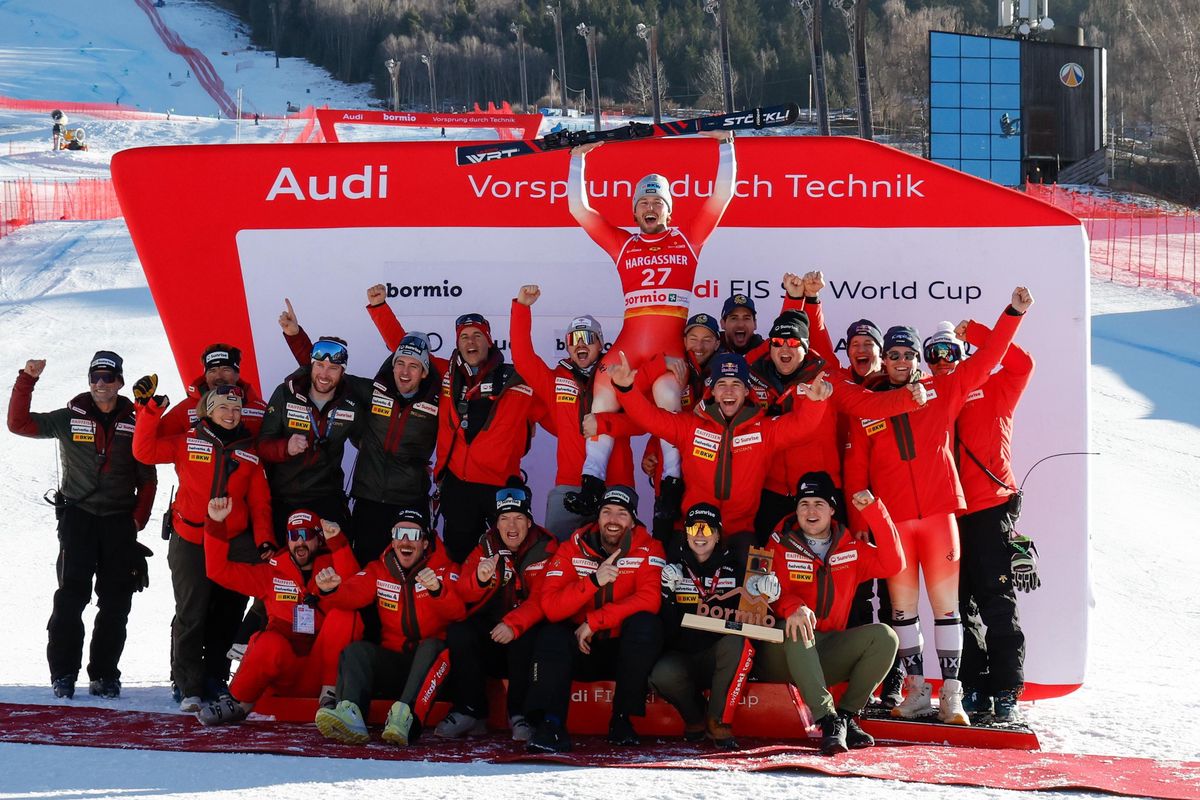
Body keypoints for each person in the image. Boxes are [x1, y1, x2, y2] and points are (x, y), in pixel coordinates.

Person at [843, 287, 1034, 724]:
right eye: (893, 355)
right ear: (884, 360)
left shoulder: (942, 391)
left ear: (916, 361)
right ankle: (913, 691)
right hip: (892, 525)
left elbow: (988, 362)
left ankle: (951, 694)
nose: (901, 362)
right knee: (903, 612)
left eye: (908, 355)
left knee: (948, 610)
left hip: (938, 519)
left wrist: (1011, 314)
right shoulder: (867, 406)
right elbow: (856, 471)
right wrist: (860, 523)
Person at [564, 132, 737, 521]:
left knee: (667, 398)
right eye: (643, 202)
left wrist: (725, 146)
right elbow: (580, 209)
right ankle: (591, 481)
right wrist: (578, 160)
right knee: (603, 392)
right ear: (635, 211)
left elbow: (721, 196)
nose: (649, 208)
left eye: (657, 202)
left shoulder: (688, 240)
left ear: (669, 211)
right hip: (628, 345)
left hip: (666, 350)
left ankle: (672, 482)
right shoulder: (623, 244)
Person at [8, 352, 157, 699]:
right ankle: (63, 673)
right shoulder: (68, 417)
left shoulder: (137, 420)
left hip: (120, 522)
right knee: (71, 597)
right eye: (95, 377)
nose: (101, 384)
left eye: (108, 377)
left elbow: (147, 477)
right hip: (78, 518)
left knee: (116, 601)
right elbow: (18, 424)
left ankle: (105, 674)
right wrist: (26, 379)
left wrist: (138, 519)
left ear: (120, 381)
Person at [359, 292, 547, 563]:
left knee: (508, 559)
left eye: (477, 336)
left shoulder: (518, 380)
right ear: (457, 344)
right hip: (458, 486)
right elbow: (402, 348)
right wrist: (379, 307)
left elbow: (559, 417)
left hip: (501, 487)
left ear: (490, 341)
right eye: (464, 337)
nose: (471, 342)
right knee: (459, 559)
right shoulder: (445, 372)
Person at [132, 379, 273, 710]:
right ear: (207, 411)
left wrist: (265, 540)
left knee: (228, 613)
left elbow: (260, 503)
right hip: (191, 539)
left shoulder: (249, 451)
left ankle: (216, 679)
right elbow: (144, 450)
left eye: (237, 409)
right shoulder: (187, 440)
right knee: (191, 613)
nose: (230, 414)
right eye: (223, 407)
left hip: (233, 544)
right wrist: (151, 411)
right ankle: (188, 685)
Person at [748, 288, 927, 541]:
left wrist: (910, 396)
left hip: (823, 494)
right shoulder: (755, 378)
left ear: (806, 347)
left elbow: (870, 404)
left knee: (834, 571)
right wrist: (792, 297)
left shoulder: (826, 378)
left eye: (793, 342)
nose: (784, 348)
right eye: (776, 342)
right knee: (768, 573)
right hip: (773, 492)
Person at [593, 350, 831, 539]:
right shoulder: (691, 427)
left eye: (736, 384)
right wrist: (626, 389)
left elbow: (801, 426)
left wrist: (816, 403)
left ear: (746, 391)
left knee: (746, 596)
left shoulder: (764, 431)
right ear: (713, 392)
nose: (729, 391)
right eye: (722, 385)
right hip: (695, 529)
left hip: (740, 532)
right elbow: (650, 417)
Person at [280, 300, 442, 566]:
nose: (404, 371)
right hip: (368, 498)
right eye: (400, 363)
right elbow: (327, 373)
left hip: (410, 500)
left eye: (413, 366)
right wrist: (296, 335)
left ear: (424, 372)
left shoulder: (438, 404)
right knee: (366, 567)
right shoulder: (373, 391)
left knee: (411, 572)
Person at [930, 319, 1036, 723]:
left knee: (997, 601)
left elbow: (1022, 364)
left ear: (963, 355)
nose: (942, 361)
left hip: (992, 508)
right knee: (958, 607)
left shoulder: (994, 387)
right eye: (934, 354)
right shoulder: (930, 396)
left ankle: (1007, 689)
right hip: (950, 514)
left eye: (949, 352)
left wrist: (975, 331)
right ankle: (973, 686)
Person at [756, 474, 903, 755]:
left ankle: (846, 717)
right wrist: (793, 607)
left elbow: (893, 563)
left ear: (832, 509)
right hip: (782, 653)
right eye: (804, 504)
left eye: (818, 504)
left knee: (885, 637)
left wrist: (874, 512)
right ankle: (827, 719)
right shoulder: (777, 544)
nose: (810, 512)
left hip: (825, 652)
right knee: (797, 625)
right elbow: (767, 593)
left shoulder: (849, 548)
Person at [525, 486, 665, 753]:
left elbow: (650, 599)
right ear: (597, 518)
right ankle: (551, 725)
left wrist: (595, 621)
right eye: (606, 512)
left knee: (646, 625)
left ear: (633, 520)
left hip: (620, 650)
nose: (613, 520)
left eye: (621, 513)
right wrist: (593, 581)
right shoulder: (571, 547)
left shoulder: (650, 547)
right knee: (551, 632)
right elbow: (551, 607)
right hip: (579, 649)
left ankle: (623, 720)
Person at [196, 499, 361, 725]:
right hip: (284, 671)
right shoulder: (270, 574)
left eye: (306, 534)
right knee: (268, 642)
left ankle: (329, 699)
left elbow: (355, 586)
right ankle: (239, 701)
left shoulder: (333, 567)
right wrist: (215, 523)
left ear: (318, 538)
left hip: (323, 671)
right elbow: (218, 570)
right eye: (294, 536)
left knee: (346, 614)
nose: (300, 542)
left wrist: (339, 543)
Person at [314, 509, 465, 746]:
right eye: (399, 533)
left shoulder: (445, 569)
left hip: (434, 671)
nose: (405, 541)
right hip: (396, 663)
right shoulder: (379, 569)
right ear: (392, 540)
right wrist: (331, 589)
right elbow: (353, 594)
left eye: (413, 535)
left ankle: (405, 719)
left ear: (425, 542)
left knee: (433, 646)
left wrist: (437, 590)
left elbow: (459, 613)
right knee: (355, 652)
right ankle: (350, 713)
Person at [509, 284, 633, 538]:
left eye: (588, 338)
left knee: (619, 564)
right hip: (570, 483)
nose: (580, 344)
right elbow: (523, 359)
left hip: (616, 483)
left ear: (600, 343)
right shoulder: (555, 380)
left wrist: (607, 424)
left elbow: (644, 422)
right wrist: (521, 308)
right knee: (558, 557)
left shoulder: (619, 374)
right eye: (573, 339)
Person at [436, 484, 557, 740]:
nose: (511, 526)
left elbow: (542, 600)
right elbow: (462, 593)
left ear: (529, 520)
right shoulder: (485, 546)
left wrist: (513, 625)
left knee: (528, 636)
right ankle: (471, 711)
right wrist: (479, 580)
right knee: (460, 632)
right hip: (493, 632)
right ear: (496, 523)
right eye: (504, 519)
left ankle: (519, 715)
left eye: (518, 518)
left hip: (523, 632)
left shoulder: (547, 548)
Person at [651, 503, 769, 750]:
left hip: (718, 656)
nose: (700, 536)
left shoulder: (735, 569)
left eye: (708, 530)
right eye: (694, 528)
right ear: (686, 534)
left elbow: (752, 621)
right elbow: (665, 628)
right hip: (683, 655)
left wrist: (767, 597)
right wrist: (666, 593)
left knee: (738, 642)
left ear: (718, 535)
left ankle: (718, 721)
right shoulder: (673, 567)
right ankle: (695, 718)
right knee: (662, 674)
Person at [258, 336, 361, 537]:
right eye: (320, 365)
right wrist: (285, 447)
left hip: (326, 497)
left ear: (343, 372)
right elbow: (261, 445)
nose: (324, 373)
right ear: (311, 365)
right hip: (285, 496)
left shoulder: (352, 406)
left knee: (336, 561)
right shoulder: (285, 394)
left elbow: (368, 442)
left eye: (333, 368)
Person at [157, 344, 267, 437]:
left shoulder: (259, 408)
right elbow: (150, 445)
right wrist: (147, 409)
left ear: (237, 374)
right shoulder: (185, 409)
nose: (219, 377)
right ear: (205, 376)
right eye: (212, 371)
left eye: (226, 370)